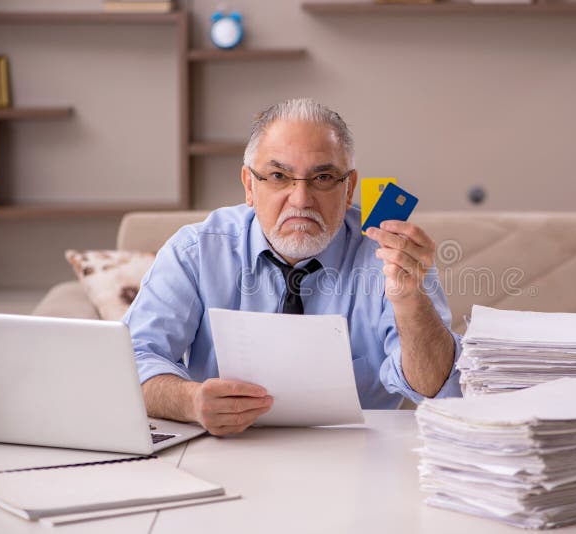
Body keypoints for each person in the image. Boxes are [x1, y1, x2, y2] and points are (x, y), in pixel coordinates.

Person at [123, 98, 461, 436]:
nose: (301, 200)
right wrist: (190, 401)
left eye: (323, 177)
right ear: (249, 185)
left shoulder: (392, 256)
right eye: (278, 176)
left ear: (349, 189)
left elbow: (436, 390)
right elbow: (130, 361)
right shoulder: (195, 252)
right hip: (227, 449)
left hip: (359, 456)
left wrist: (411, 302)